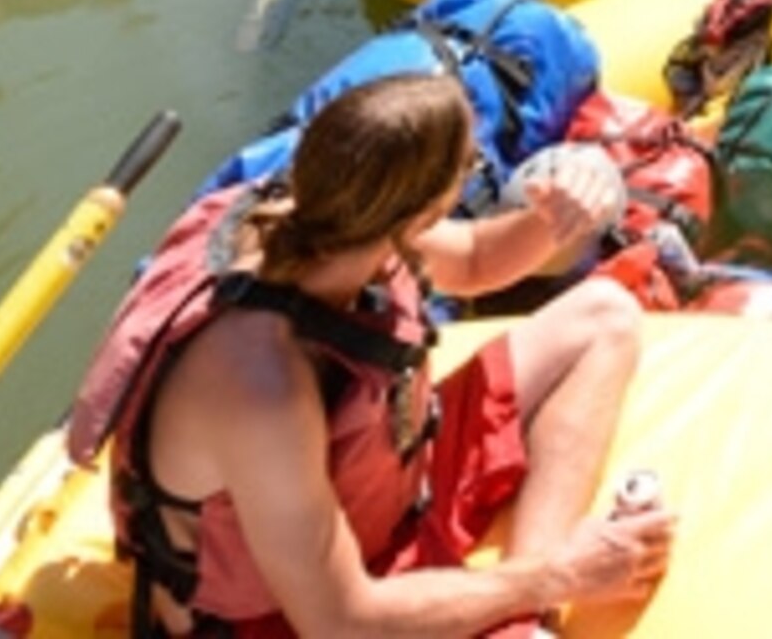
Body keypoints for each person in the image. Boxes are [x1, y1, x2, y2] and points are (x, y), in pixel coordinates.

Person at [67, 75, 676, 639]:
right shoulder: (260, 387)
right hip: (286, 615)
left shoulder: (329, 217)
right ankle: (537, 595)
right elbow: (340, 622)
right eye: (471, 167)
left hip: (381, 501)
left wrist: (556, 220)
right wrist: (564, 574)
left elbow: (472, 260)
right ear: (423, 211)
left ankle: (529, 612)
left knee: (604, 315)